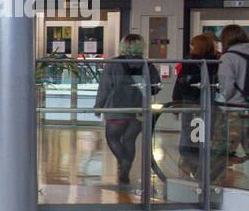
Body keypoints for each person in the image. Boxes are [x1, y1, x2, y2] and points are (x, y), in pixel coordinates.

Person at [94, 33, 160, 188]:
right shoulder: (147, 65)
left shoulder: (113, 64)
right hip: (139, 109)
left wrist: (98, 106)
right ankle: (125, 169)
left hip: (117, 108)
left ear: (123, 46)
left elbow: (105, 87)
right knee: (129, 140)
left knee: (113, 138)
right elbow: (155, 88)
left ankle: (124, 162)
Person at [172, 33, 219, 179]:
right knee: (206, 131)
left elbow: (180, 84)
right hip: (210, 103)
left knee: (188, 130)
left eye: (193, 45)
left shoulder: (190, 63)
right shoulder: (216, 62)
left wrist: (175, 103)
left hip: (190, 102)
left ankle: (190, 164)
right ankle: (204, 164)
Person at [215, 24, 249, 175]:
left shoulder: (228, 58)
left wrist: (218, 106)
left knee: (220, 154)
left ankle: (207, 189)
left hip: (234, 112)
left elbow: (226, 87)